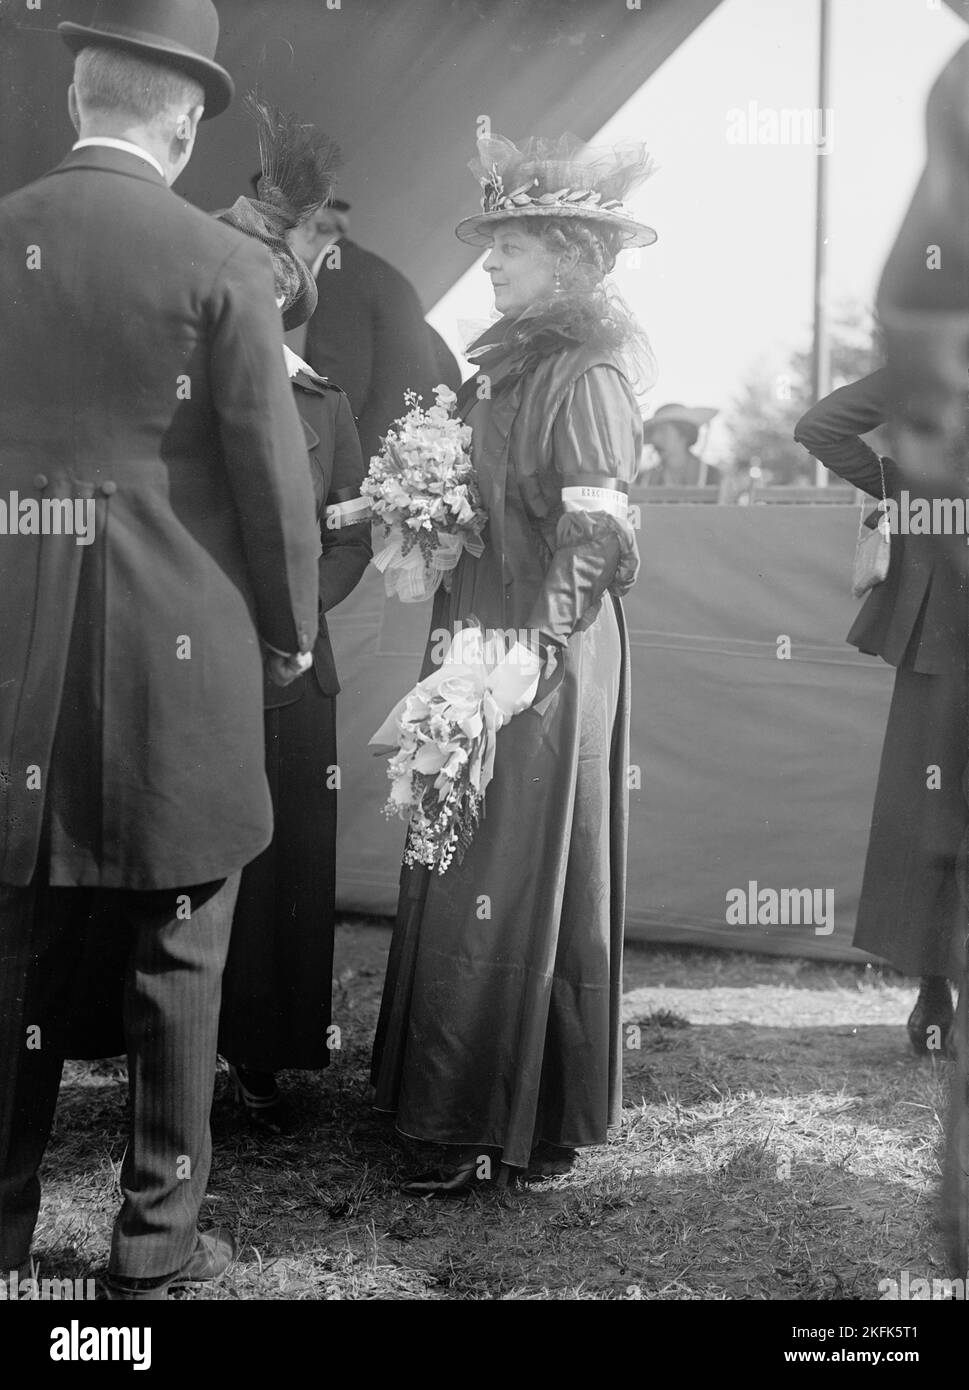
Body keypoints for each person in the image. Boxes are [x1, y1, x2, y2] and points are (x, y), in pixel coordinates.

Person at [0, 0, 320, 1300]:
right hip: (179, 656)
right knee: (178, 945)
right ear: (182, 122)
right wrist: (290, 637)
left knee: (9, 945)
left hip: (8, 654)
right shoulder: (225, 264)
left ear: (81, 98)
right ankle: (150, 1246)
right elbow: (271, 484)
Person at [370, 132, 656, 1192]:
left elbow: (598, 533)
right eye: (489, 246)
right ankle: (448, 1102)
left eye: (513, 247)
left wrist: (533, 649)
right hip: (479, 633)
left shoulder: (586, 379)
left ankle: (513, 1116)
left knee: (517, 866)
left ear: (573, 260)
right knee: (456, 848)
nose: (489, 263)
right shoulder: (503, 374)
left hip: (549, 647)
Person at [214, 100, 372, 1125]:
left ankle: (267, 1052)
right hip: (206, 654)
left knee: (286, 867)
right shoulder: (195, 392)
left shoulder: (329, 405)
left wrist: (297, 614)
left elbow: (351, 534)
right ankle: (171, 1046)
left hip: (296, 666)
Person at [794, 369, 964, 1053]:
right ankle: (934, 989)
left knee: (928, 809)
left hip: (938, 624)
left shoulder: (926, 360)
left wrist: (903, 490)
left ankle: (933, 991)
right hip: (941, 628)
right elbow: (817, 428)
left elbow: (818, 426)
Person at [287, 200, 442, 465]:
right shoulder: (368, 267)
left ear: (308, 228)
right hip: (413, 457)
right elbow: (445, 363)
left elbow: (337, 392)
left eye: (280, 234)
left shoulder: (336, 277)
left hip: (375, 467)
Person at [642, 403, 718, 487]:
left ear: (683, 434)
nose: (655, 438)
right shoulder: (645, 480)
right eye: (654, 433)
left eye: (663, 431)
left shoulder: (714, 477)